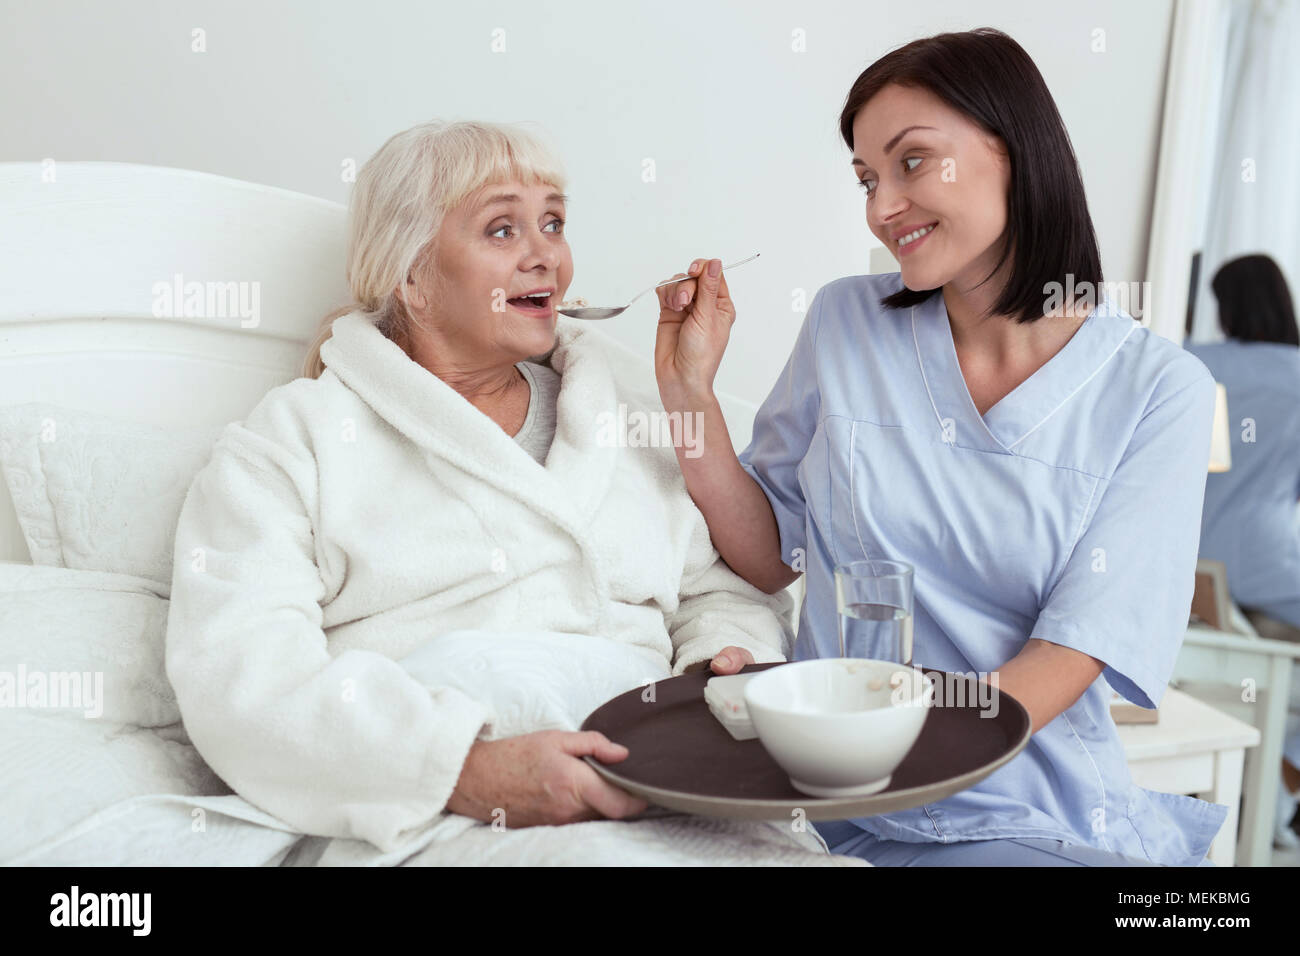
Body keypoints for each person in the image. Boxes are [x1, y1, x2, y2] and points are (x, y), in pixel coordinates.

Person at [163, 120, 851, 866]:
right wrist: (465, 771)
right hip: (442, 816)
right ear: (413, 275)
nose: (545, 256)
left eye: (553, 223)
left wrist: (721, 672)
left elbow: (723, 593)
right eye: (502, 229)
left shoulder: (625, 417)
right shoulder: (296, 441)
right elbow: (243, 678)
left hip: (664, 784)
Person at [654, 28, 1226, 866]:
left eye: (912, 162)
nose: (882, 207)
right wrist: (689, 395)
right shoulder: (845, 323)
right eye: (866, 179)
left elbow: (1073, 650)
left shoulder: (1158, 390)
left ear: (1013, 149)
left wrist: (890, 745)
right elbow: (770, 555)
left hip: (1010, 806)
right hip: (821, 796)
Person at [1184, 253, 1300, 848]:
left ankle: (1278, 766)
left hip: (1196, 568)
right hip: (1273, 568)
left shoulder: (1192, 360)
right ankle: (1286, 760)